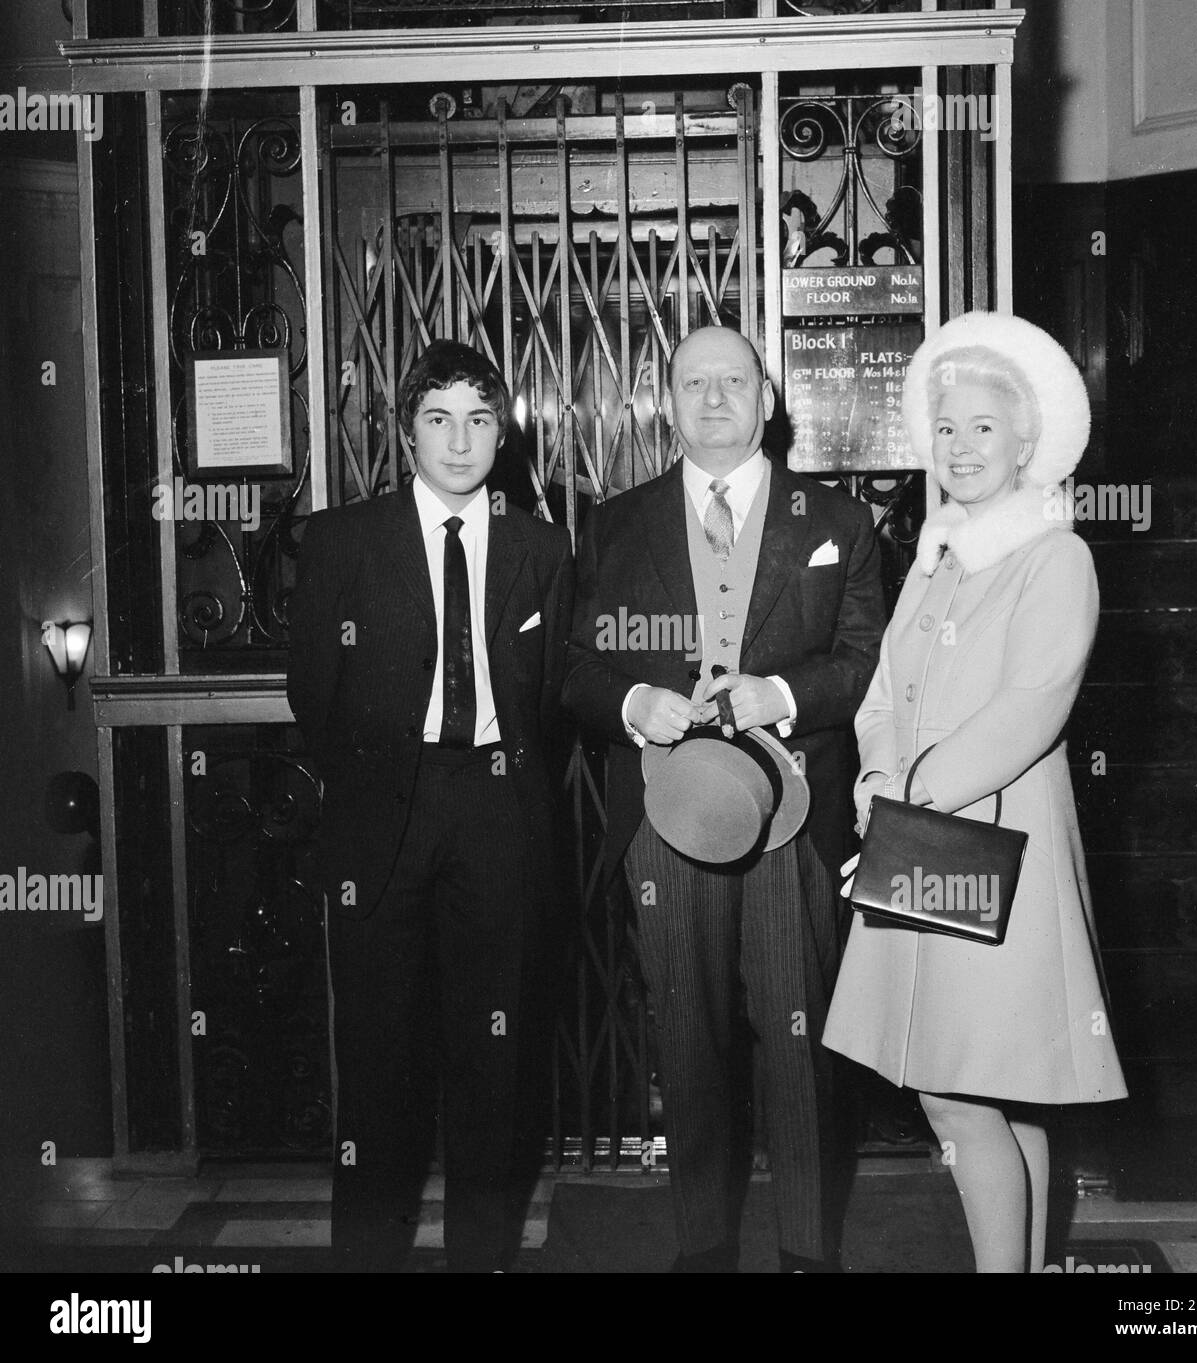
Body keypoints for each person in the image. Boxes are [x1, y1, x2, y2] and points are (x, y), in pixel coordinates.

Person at [563, 325, 886, 1272]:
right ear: (667, 400)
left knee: (797, 1036)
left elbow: (865, 661)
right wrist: (631, 700)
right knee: (687, 1029)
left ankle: (804, 1251)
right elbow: (572, 668)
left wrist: (782, 696)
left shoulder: (838, 523)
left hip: (793, 816)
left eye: (734, 381)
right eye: (693, 382)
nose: (714, 398)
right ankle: (703, 1244)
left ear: (768, 398)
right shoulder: (614, 525)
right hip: (666, 817)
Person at [823, 311, 1128, 1273]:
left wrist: (902, 798)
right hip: (920, 834)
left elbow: (1028, 710)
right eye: (946, 428)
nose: (960, 448)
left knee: (960, 1089)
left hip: (994, 842)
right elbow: (879, 692)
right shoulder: (935, 552)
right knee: (988, 1086)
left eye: (984, 429)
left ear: (1027, 441)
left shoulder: (1055, 556)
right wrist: (875, 775)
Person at [287, 339, 574, 1272]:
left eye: (481, 419)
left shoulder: (539, 545)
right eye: (439, 418)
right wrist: (378, 783)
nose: (461, 440)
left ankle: (480, 1259)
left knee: (494, 1065)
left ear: (505, 432)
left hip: (498, 815)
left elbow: (553, 694)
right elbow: (314, 695)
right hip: (382, 818)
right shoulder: (341, 540)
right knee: (375, 1067)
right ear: (404, 430)